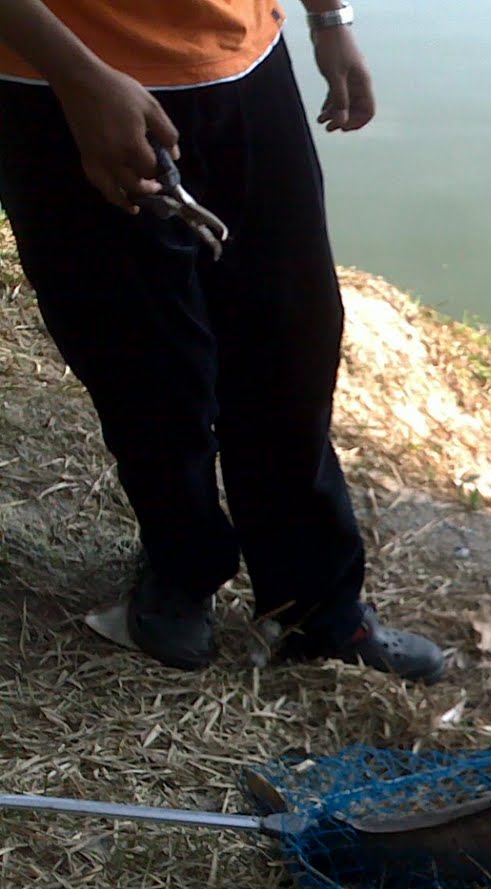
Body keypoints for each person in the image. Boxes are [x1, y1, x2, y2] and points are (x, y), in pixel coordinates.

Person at [0, 0, 445, 681]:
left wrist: (330, 19)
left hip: (243, 66)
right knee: (140, 359)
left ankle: (316, 609)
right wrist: (78, 78)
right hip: (54, 87)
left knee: (293, 342)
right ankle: (182, 569)